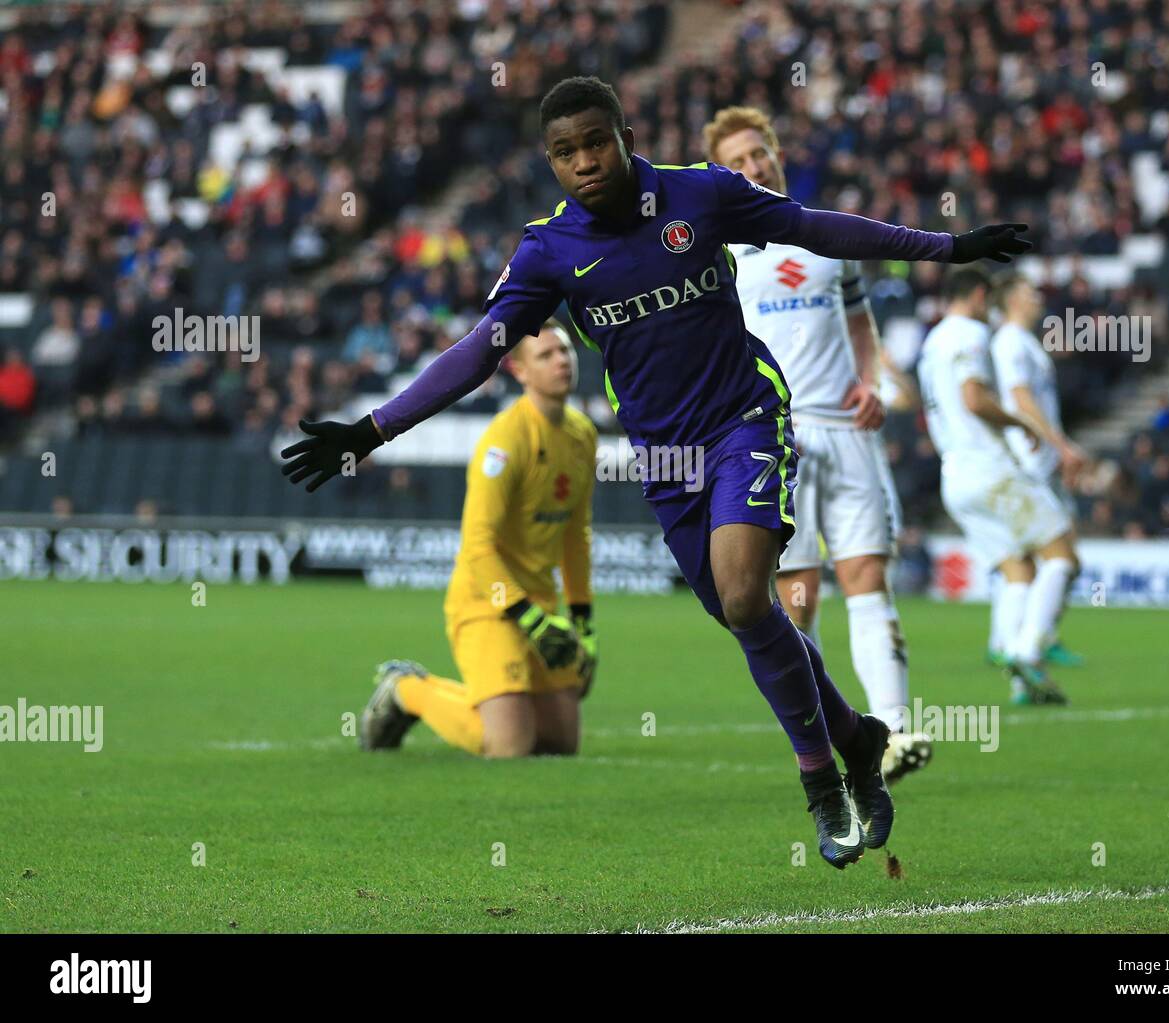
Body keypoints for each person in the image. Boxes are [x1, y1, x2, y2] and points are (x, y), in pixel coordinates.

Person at [282, 76, 1031, 868]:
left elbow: (813, 228)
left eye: (595, 143)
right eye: (565, 154)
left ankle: (818, 781)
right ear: (551, 163)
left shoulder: (700, 197)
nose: (584, 163)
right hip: (667, 459)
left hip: (747, 416)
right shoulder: (548, 250)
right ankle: (858, 738)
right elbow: (479, 351)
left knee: (748, 596)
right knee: (754, 621)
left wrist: (945, 248)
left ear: (626, 137)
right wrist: (370, 428)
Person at [705, 106, 931, 783]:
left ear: (776, 153)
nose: (753, 167)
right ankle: (829, 737)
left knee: (868, 576)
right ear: (722, 173)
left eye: (759, 152)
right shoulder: (720, 255)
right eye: (737, 161)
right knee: (797, 595)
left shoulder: (822, 236)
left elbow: (861, 326)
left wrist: (873, 383)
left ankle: (891, 732)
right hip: (777, 435)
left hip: (847, 428)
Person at [359, 321, 598, 758]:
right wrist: (529, 618)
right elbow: (478, 546)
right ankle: (407, 690)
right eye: (546, 355)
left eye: (565, 351)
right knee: (509, 746)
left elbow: (575, 537)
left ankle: (494, 699)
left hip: (539, 604)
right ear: (519, 371)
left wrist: (583, 624)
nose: (562, 361)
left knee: (561, 744)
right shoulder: (504, 441)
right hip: (487, 602)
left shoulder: (583, 434)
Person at [916, 269, 1079, 705]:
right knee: (1062, 554)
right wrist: (1019, 423)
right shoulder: (970, 332)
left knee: (1017, 570)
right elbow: (974, 397)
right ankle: (1028, 650)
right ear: (980, 294)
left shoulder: (930, 342)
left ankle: (1017, 672)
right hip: (988, 468)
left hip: (954, 475)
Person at [987, 273, 1089, 670]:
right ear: (1011, 298)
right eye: (1029, 292)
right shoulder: (1010, 342)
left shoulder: (1024, 342)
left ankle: (1025, 638)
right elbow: (1019, 397)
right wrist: (1060, 445)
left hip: (1038, 460)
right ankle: (1025, 643)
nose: (1036, 298)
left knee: (1040, 558)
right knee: (1054, 557)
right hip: (1028, 461)